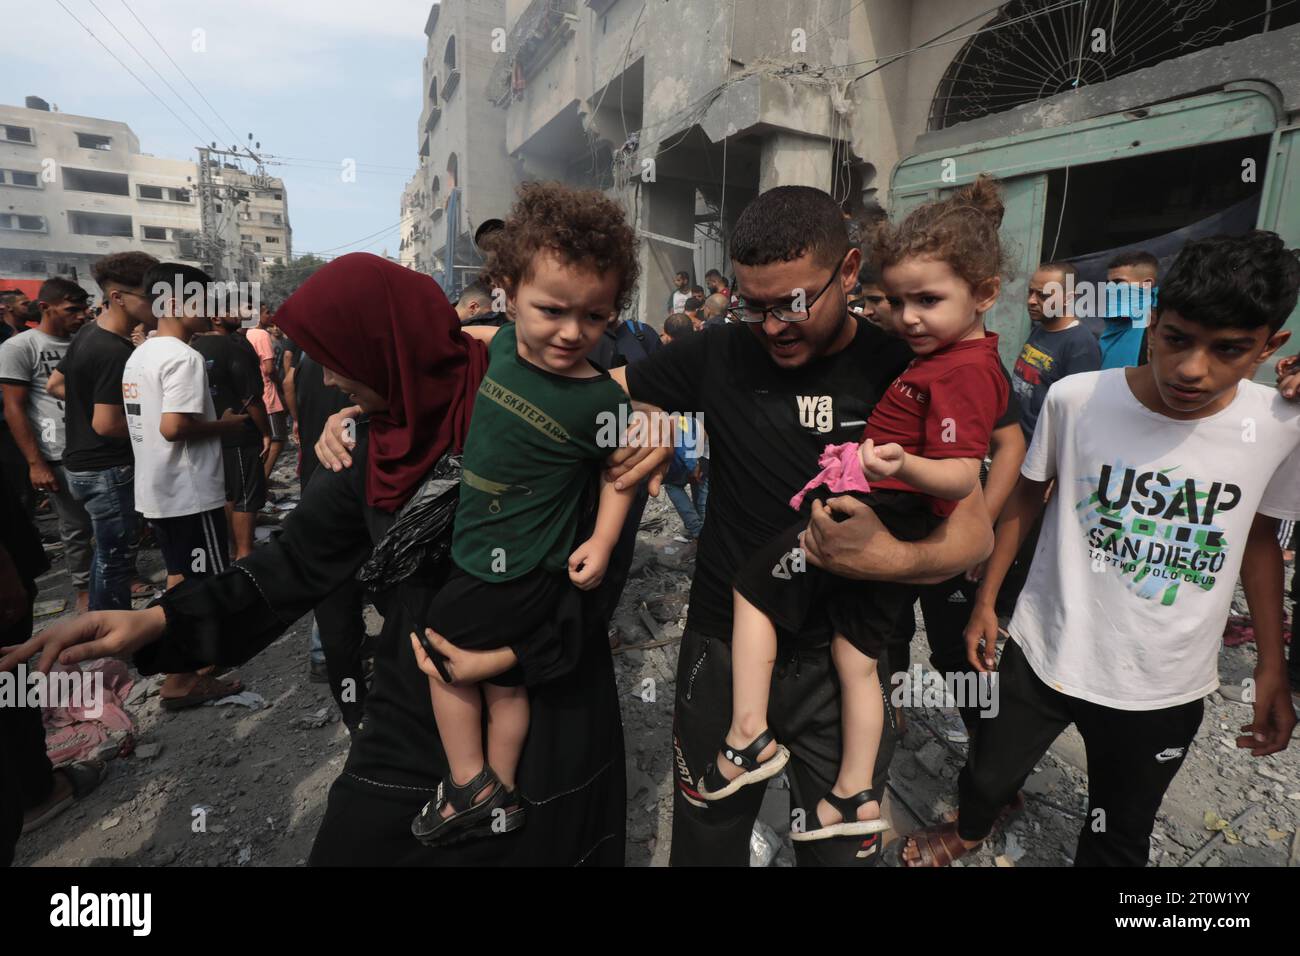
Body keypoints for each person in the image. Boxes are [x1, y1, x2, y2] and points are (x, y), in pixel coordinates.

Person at [8, 251, 671, 866]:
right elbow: (294, 562)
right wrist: (154, 624)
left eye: (339, 357)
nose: (327, 378)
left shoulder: (566, 429)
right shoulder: (373, 445)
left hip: (541, 706)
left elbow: (594, 587)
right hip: (416, 703)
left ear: (389, 351)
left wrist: (503, 659)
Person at [612, 184, 995, 866]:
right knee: (706, 841)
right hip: (725, 643)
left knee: (838, 851)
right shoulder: (717, 353)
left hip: (844, 655)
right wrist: (644, 409)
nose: (773, 326)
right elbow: (600, 383)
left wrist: (887, 560)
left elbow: (976, 535)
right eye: (752, 305)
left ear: (849, 272)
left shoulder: (907, 369)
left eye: (793, 303)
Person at [903, 231, 1300, 867]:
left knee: (1120, 831)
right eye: (1177, 338)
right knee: (987, 770)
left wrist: (1272, 666)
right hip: (1043, 651)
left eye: (1229, 350)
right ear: (1152, 323)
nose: (1193, 368)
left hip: (1164, 684)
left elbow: (1258, 539)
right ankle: (971, 828)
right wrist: (986, 602)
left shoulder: (1280, 426)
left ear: (1271, 345)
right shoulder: (1079, 399)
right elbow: (1029, 497)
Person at [408, 182, 639, 846]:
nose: (571, 332)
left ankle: (465, 783)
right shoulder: (505, 343)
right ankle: (502, 794)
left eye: (594, 317)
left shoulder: (601, 400)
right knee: (507, 685)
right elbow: (474, 334)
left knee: (437, 654)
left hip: (511, 569)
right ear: (507, 291)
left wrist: (601, 538)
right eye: (552, 310)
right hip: (485, 549)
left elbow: (621, 475)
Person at [123, 262, 248, 708]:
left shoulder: (142, 353)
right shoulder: (183, 356)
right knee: (203, 583)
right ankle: (185, 676)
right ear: (175, 302)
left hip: (159, 491)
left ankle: (176, 663)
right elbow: (174, 427)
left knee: (181, 578)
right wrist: (225, 426)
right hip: (190, 492)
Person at [47, 252, 157, 612]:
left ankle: (98, 620)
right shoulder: (112, 351)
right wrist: (158, 425)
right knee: (115, 561)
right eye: (149, 295)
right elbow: (106, 424)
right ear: (118, 297)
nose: (157, 304)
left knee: (105, 556)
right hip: (107, 468)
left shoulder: (89, 335)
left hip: (82, 463)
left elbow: (57, 384)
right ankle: (109, 638)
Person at [0, 278, 94, 613]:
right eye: (72, 309)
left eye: (83, 309)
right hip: (57, 452)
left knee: (112, 522)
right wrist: (34, 462)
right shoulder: (20, 347)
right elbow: (13, 406)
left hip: (97, 447)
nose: (81, 316)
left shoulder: (86, 341)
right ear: (45, 307)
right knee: (76, 527)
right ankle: (84, 588)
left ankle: (120, 576)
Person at [190, 303, 271, 560]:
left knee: (227, 493)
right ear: (215, 317)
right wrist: (266, 432)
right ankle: (245, 555)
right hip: (239, 432)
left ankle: (232, 551)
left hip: (209, 433)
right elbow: (251, 397)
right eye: (231, 310)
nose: (239, 314)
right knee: (246, 496)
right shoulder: (233, 346)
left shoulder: (194, 347)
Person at [1013, 260, 1102, 440]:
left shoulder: (1080, 344)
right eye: (1030, 292)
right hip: (1016, 440)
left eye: (1043, 295)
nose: (1031, 301)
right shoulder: (1040, 328)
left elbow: (1076, 415)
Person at [244, 304, 288, 479]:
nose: (271, 315)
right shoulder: (261, 334)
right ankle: (262, 482)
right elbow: (269, 368)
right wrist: (281, 385)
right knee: (277, 440)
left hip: (254, 393)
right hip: (268, 394)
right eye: (267, 312)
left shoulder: (245, 334)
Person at [1099, 250, 1159, 370]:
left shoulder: (1158, 327)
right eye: (1108, 283)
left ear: (1146, 284)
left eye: (1118, 282)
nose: (1109, 288)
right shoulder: (1113, 324)